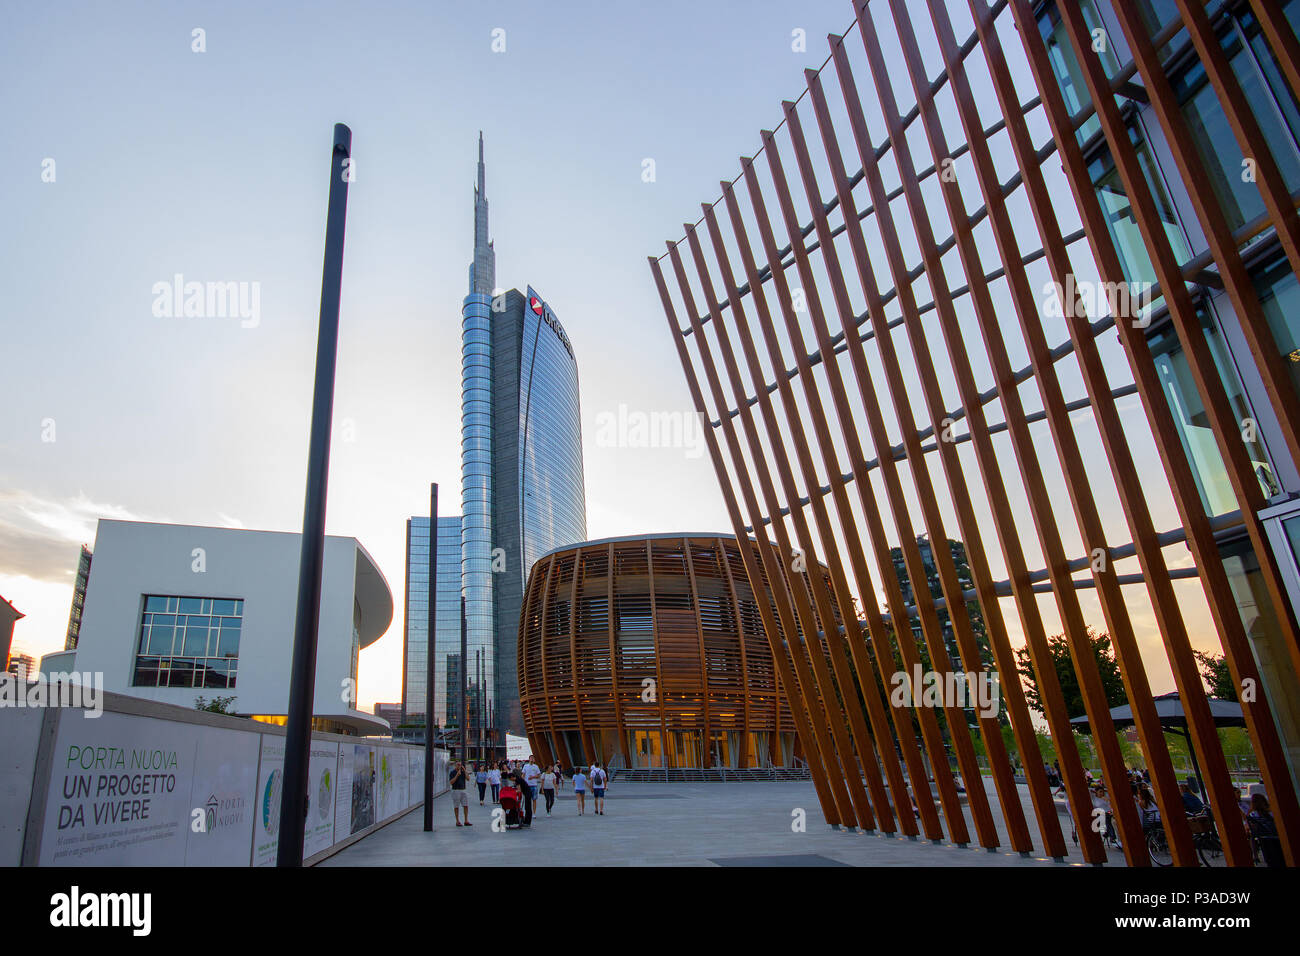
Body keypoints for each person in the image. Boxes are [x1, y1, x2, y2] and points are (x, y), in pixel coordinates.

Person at [1245, 790, 1284, 867]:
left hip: (1263, 839)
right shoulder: (1272, 812)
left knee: (1270, 860)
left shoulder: (1253, 814)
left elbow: (1249, 828)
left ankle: (1255, 856)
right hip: (1277, 836)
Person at [449, 761, 472, 827]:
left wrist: (465, 771)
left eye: (460, 765)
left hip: (463, 790)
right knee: (456, 806)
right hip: (456, 790)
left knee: (466, 805)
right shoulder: (452, 772)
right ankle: (457, 821)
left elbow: (468, 779)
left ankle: (466, 820)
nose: (459, 766)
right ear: (455, 765)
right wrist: (457, 775)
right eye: (458, 765)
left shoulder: (462, 772)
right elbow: (451, 782)